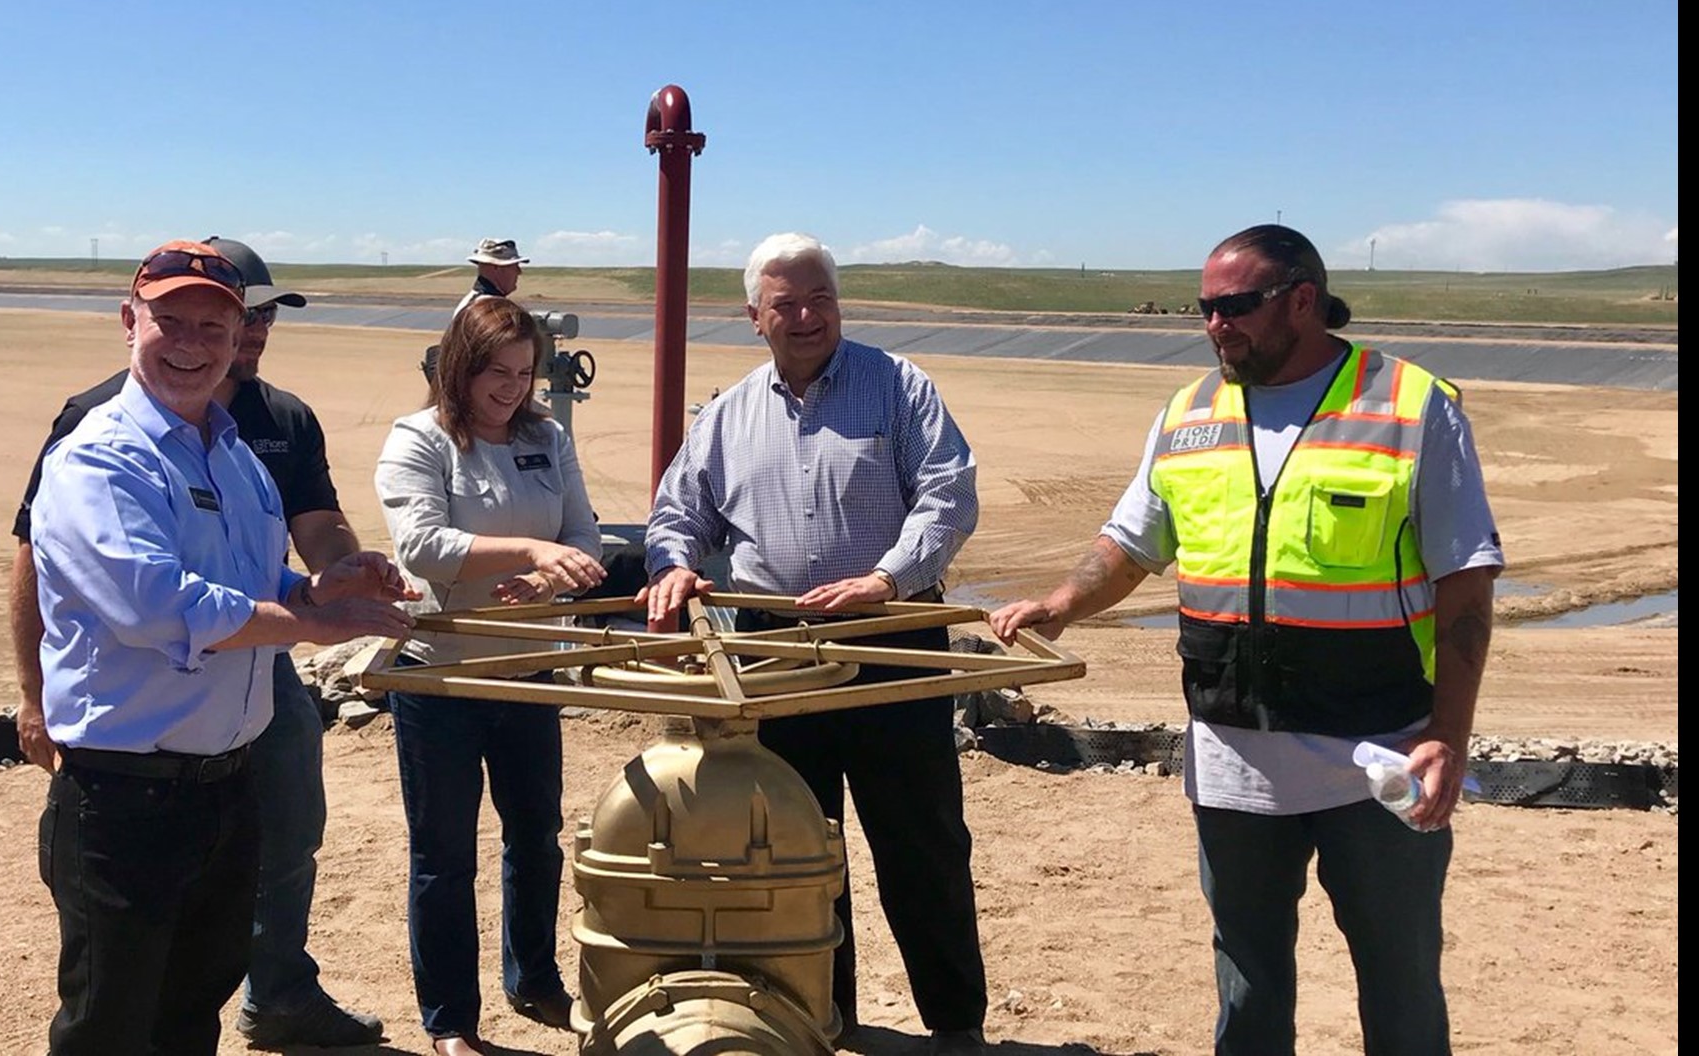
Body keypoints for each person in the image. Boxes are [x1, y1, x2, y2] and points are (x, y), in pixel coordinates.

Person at [988, 224, 1501, 1056]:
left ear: (1302, 300)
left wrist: (1449, 732)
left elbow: (1466, 585)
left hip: (1382, 753)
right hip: (1233, 759)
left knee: (1399, 978)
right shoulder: (1190, 413)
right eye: (1205, 308)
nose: (1214, 326)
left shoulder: (1410, 407)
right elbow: (1131, 544)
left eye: (1235, 306)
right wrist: (1061, 603)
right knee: (1248, 979)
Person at [25, 240, 418, 1053]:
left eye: (214, 326)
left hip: (225, 791)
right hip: (123, 799)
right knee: (110, 1027)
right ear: (129, 321)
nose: (191, 344)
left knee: (188, 1016)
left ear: (241, 336)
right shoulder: (102, 455)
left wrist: (319, 590)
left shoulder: (234, 455)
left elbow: (252, 580)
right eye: (170, 321)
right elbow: (155, 606)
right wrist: (310, 625)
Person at [639, 232, 988, 1055]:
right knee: (797, 848)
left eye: (819, 300)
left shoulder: (897, 386)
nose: (805, 318)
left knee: (922, 841)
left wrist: (888, 579)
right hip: (776, 654)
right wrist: (675, 564)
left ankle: (955, 1025)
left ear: (840, 304)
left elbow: (948, 495)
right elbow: (678, 511)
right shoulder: (728, 415)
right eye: (786, 305)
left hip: (891, 640)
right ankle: (826, 1018)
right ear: (754, 317)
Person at [373, 295, 607, 1056]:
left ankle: (534, 979)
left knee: (536, 837)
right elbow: (423, 546)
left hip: (526, 671)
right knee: (443, 855)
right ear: (460, 369)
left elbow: (582, 534)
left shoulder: (546, 437)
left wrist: (549, 577)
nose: (512, 388)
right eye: (496, 372)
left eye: (525, 372)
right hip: (442, 680)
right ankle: (450, 1021)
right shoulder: (419, 439)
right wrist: (531, 552)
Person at [451, 236, 529, 319]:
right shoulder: (492, 309)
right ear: (496, 267)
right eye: (515, 266)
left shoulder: (473, 303)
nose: (519, 272)